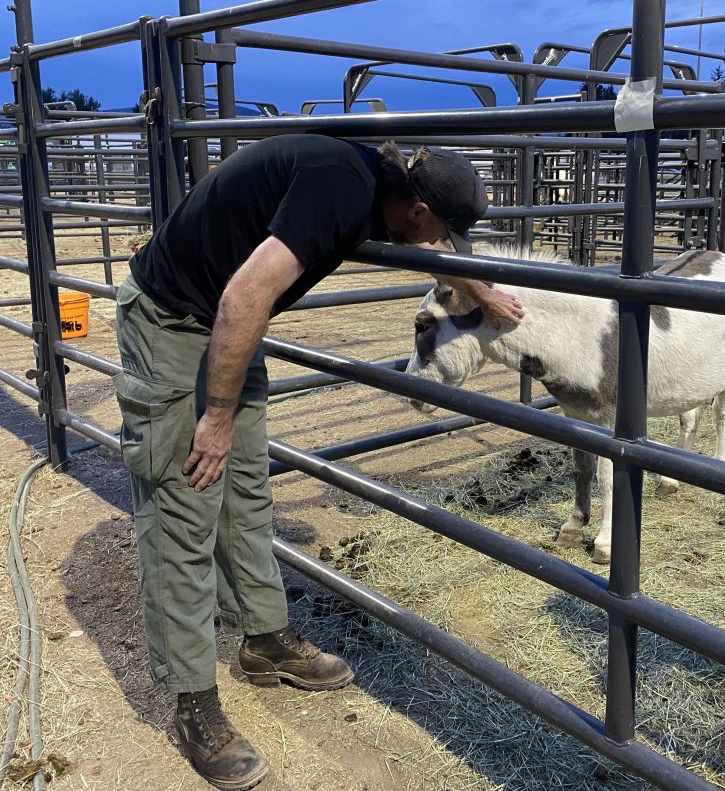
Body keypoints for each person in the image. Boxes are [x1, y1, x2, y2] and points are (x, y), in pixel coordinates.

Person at [113, 135, 523, 790]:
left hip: (225, 322)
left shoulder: (383, 179)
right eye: (443, 231)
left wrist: (485, 293)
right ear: (418, 210)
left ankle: (264, 638)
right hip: (175, 319)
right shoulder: (340, 190)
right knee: (183, 505)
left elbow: (432, 251)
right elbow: (244, 298)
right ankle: (192, 704)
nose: (440, 244)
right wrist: (214, 417)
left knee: (246, 492)